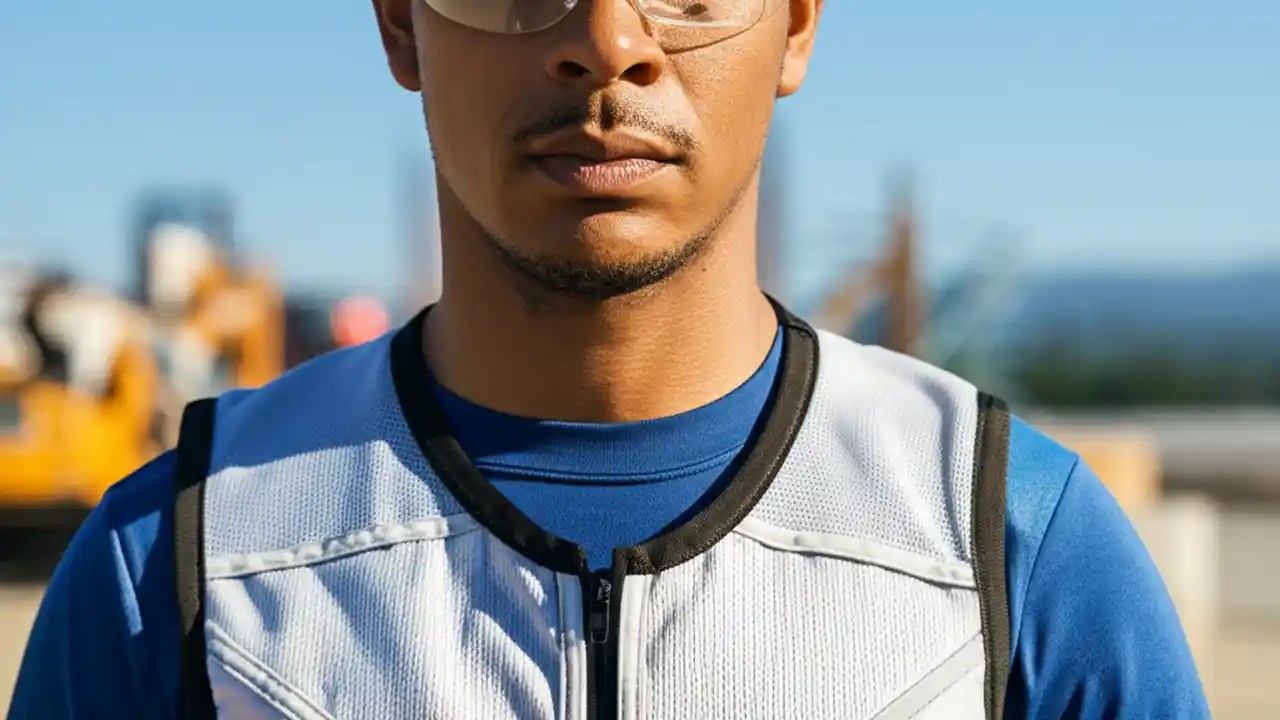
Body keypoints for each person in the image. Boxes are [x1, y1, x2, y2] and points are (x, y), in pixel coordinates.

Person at [10, 0, 1210, 717]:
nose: (605, 41)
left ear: (794, 23)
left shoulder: (1006, 546)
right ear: (398, 22)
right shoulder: (174, 561)